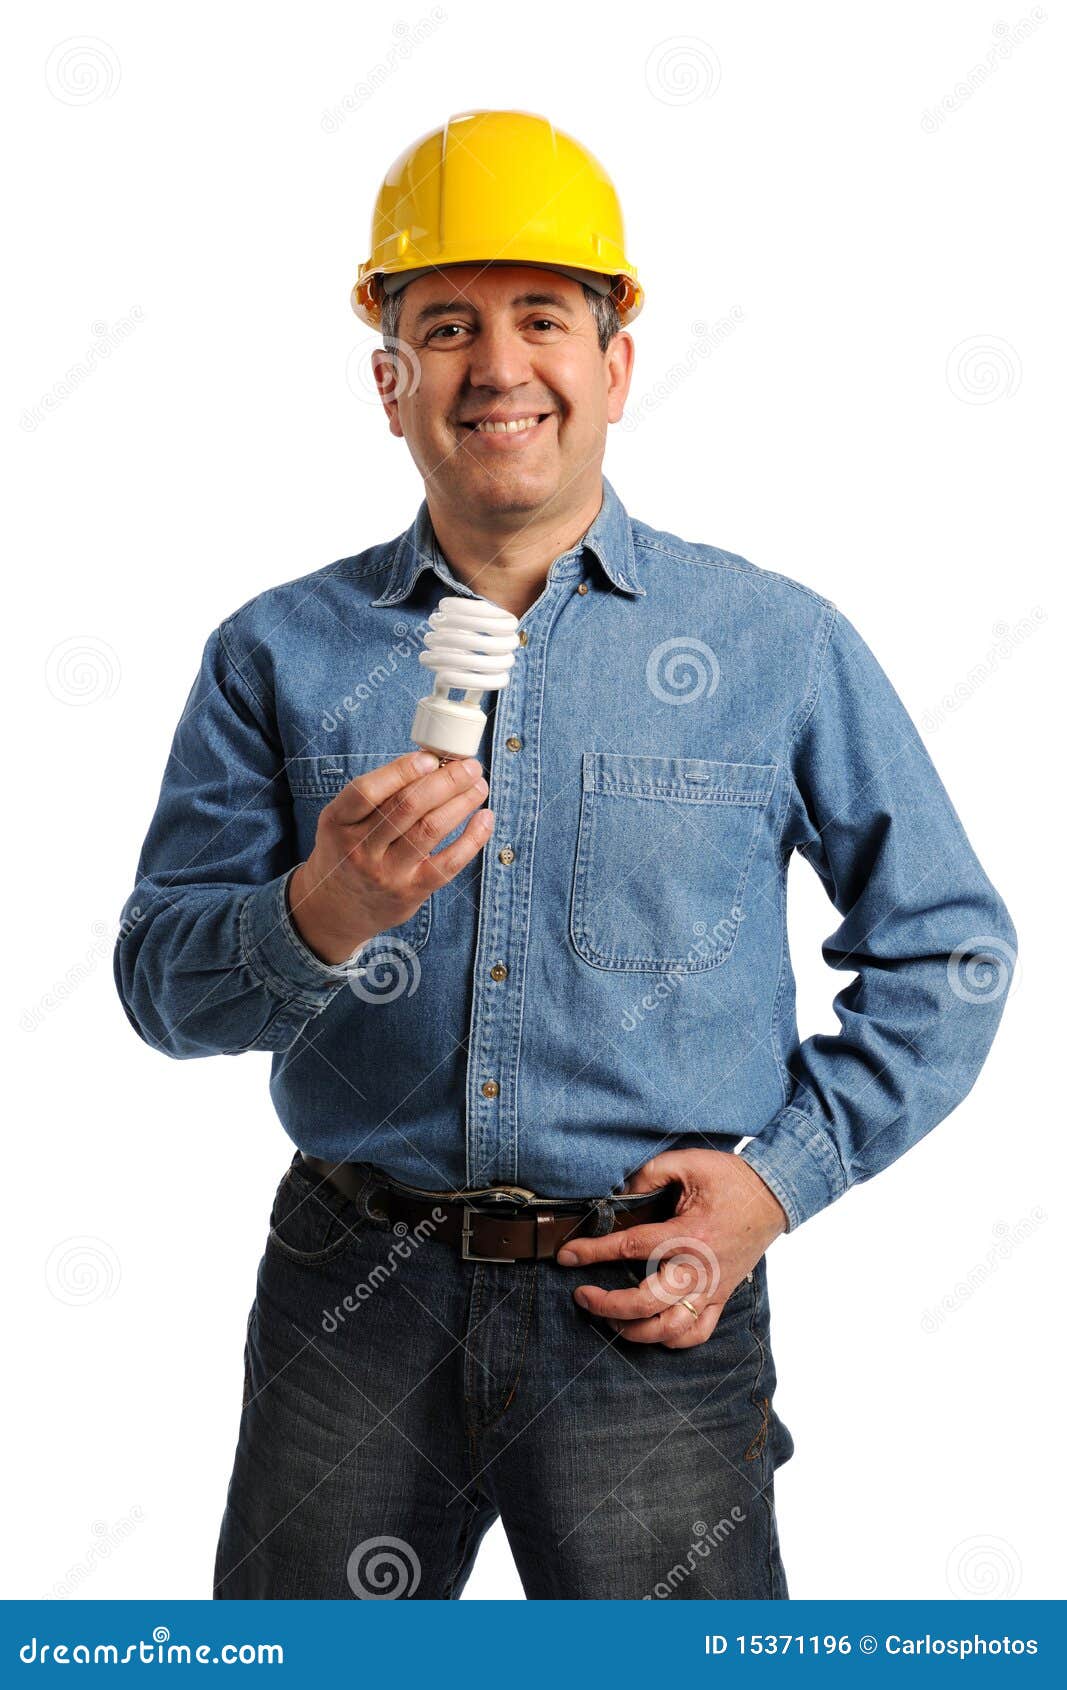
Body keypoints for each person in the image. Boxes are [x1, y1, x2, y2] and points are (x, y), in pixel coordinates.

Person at [113, 110, 1017, 1601]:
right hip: (353, 1295)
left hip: (650, 1295)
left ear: (618, 361)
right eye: (446, 325)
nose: (500, 366)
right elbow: (159, 986)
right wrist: (323, 909)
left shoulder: (771, 643)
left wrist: (776, 1184)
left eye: (544, 317)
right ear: (388, 378)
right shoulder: (274, 652)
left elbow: (949, 945)